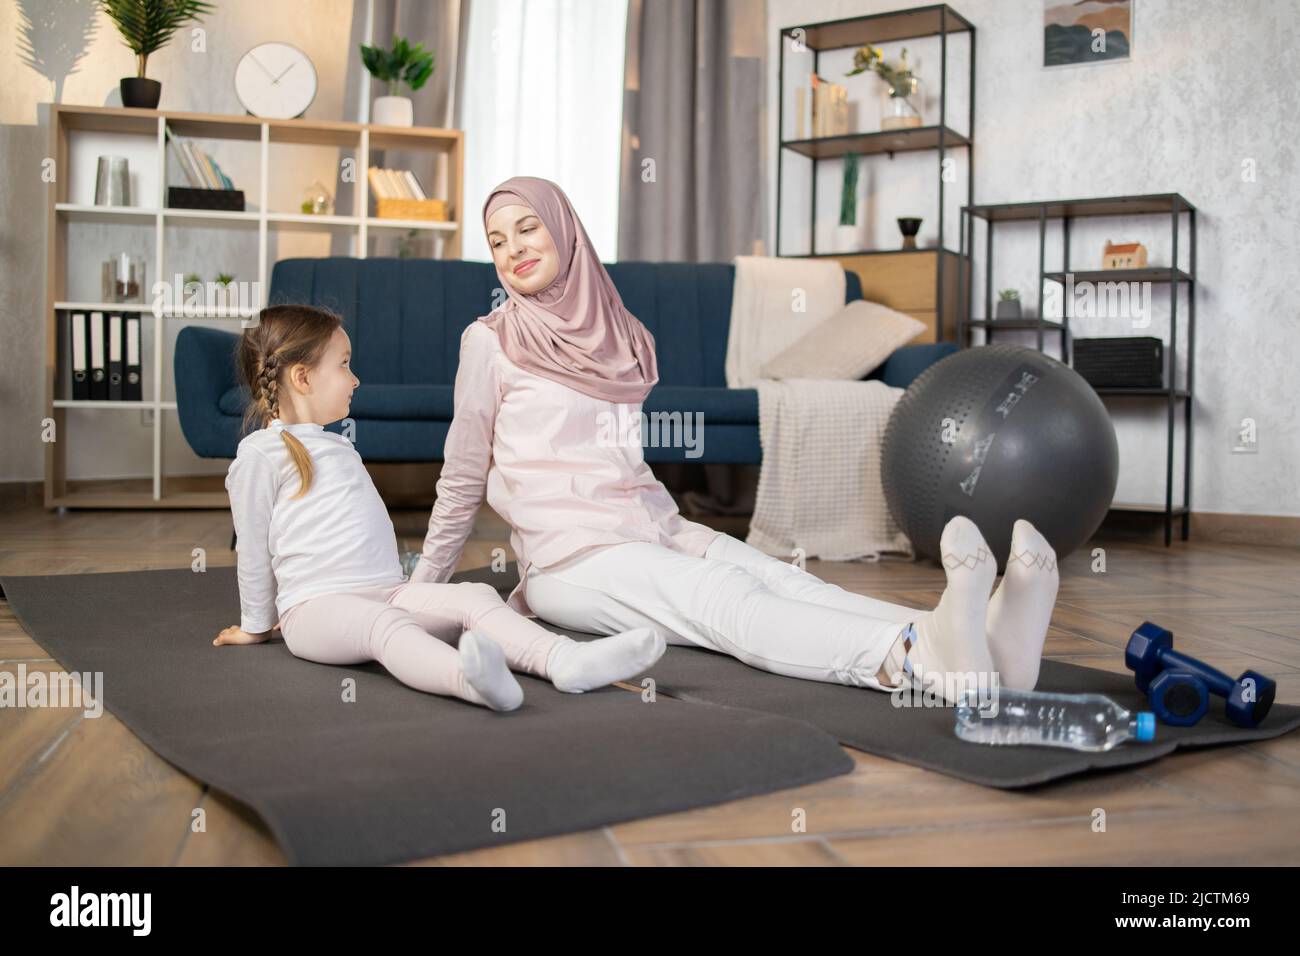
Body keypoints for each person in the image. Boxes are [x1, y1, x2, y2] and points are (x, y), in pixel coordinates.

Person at [410, 176, 1060, 704]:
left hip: (653, 525)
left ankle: (995, 653)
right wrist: (425, 591)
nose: (514, 248)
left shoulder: (621, 334)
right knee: (728, 600)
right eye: (497, 240)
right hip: (570, 560)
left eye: (528, 228)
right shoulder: (489, 342)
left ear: (565, 230)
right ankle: (918, 657)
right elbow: (463, 477)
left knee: (794, 584)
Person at [214, 303, 666, 711]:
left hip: (388, 588)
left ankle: (565, 660)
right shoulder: (260, 454)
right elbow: (253, 548)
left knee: (475, 596)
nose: (355, 379)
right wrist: (256, 624)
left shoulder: (337, 446)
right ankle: (469, 680)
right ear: (302, 377)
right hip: (315, 610)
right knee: (384, 624)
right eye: (345, 365)